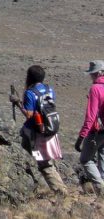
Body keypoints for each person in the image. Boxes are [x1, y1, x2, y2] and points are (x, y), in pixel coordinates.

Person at [9, 65, 65, 194]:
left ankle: (60, 190)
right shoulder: (49, 89)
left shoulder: (30, 92)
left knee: (41, 162)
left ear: (29, 77)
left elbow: (29, 114)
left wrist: (17, 103)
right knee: (45, 159)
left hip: (35, 132)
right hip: (49, 128)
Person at [76, 60, 104, 195]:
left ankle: (101, 189)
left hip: (97, 132)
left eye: (92, 74)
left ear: (98, 73)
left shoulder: (95, 88)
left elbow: (91, 116)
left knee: (85, 159)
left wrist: (81, 137)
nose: (91, 76)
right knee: (103, 158)